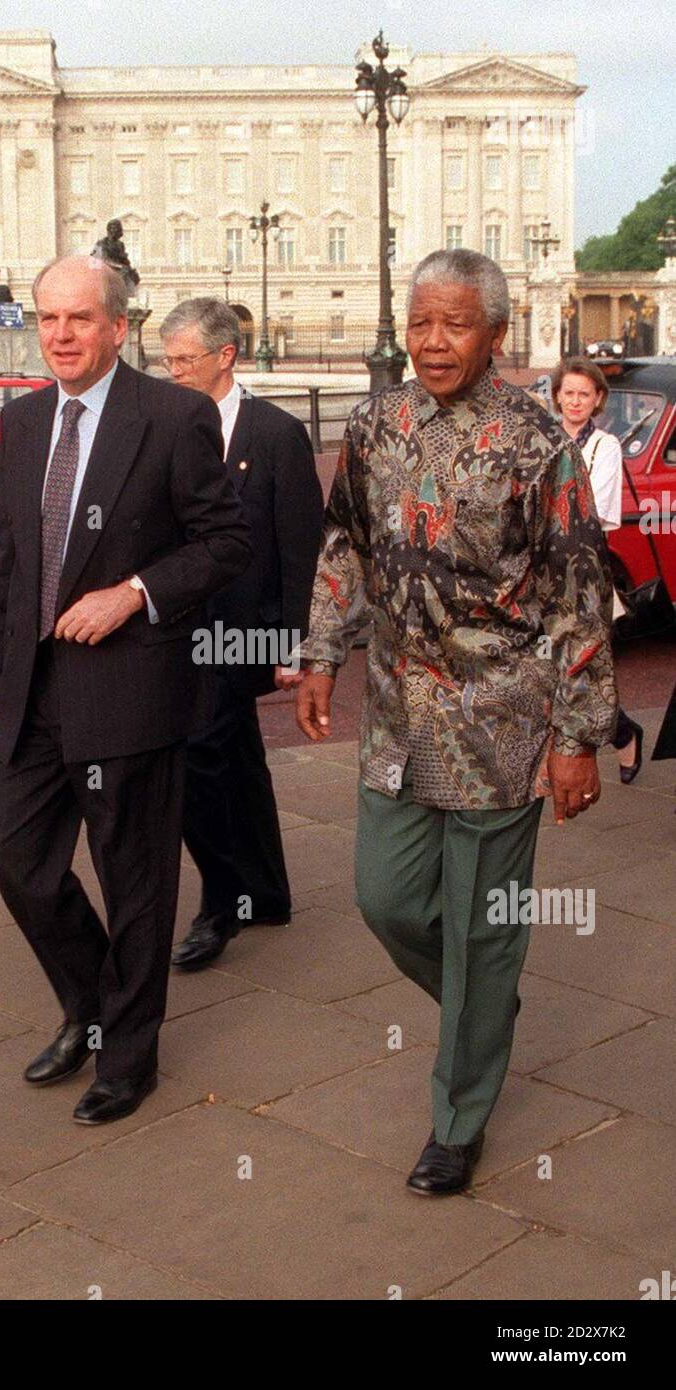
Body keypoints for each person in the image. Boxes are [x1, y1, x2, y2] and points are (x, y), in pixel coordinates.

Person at [296, 249, 617, 1196]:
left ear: (496, 336)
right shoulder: (373, 423)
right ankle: (482, 1009)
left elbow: (577, 594)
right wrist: (321, 652)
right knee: (385, 899)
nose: (433, 343)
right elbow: (343, 540)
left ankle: (458, 1116)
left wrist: (575, 738)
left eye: (456, 325)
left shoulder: (535, 444)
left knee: (480, 927)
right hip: (396, 713)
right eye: (421, 323)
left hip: (502, 721)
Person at [0, 256, 250, 1125]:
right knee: (18, 861)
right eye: (47, 319)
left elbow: (225, 541)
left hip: (128, 690)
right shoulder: (20, 422)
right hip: (30, 692)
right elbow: (8, 563)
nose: (59, 335)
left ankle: (127, 1056)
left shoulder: (171, 417)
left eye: (78, 320)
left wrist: (134, 593)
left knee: (135, 884)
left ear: (116, 328)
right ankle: (90, 1010)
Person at [158, 298, 324, 969]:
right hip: (181, 628)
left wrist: (296, 645)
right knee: (236, 757)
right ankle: (265, 892)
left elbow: (300, 547)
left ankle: (220, 902)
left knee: (199, 751)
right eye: (165, 361)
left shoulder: (276, 434)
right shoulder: (167, 426)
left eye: (183, 361)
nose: (172, 373)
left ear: (224, 356)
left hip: (246, 631)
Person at [553, 356, 643, 783]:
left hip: (584, 569)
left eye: (583, 394)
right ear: (556, 397)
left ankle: (622, 732)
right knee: (542, 668)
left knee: (585, 667)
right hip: (539, 568)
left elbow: (596, 511)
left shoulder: (604, 446)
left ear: (597, 400)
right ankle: (549, 759)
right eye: (568, 393)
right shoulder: (542, 439)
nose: (575, 401)